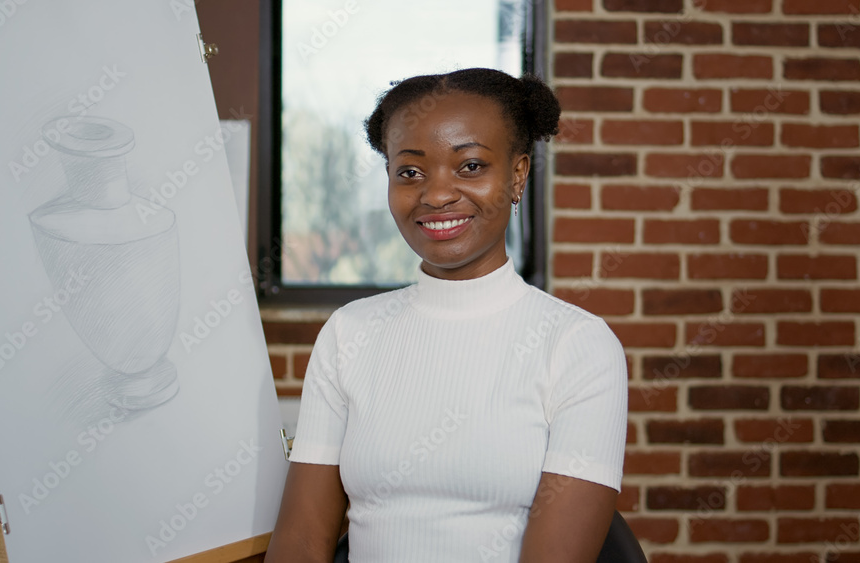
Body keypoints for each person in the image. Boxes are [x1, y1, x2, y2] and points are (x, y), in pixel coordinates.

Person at [265, 68, 628, 563]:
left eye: (471, 166)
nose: (435, 195)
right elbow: (301, 543)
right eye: (410, 172)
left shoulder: (577, 346)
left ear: (518, 174)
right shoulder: (349, 334)